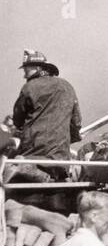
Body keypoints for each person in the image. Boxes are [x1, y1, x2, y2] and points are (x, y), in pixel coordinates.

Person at [12, 50, 81, 180]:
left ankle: (39, 176)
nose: (24, 76)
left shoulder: (29, 87)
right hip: (61, 159)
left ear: (38, 68)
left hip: (32, 157)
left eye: (26, 71)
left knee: (10, 168)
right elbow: (76, 123)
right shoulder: (68, 86)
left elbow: (18, 121)